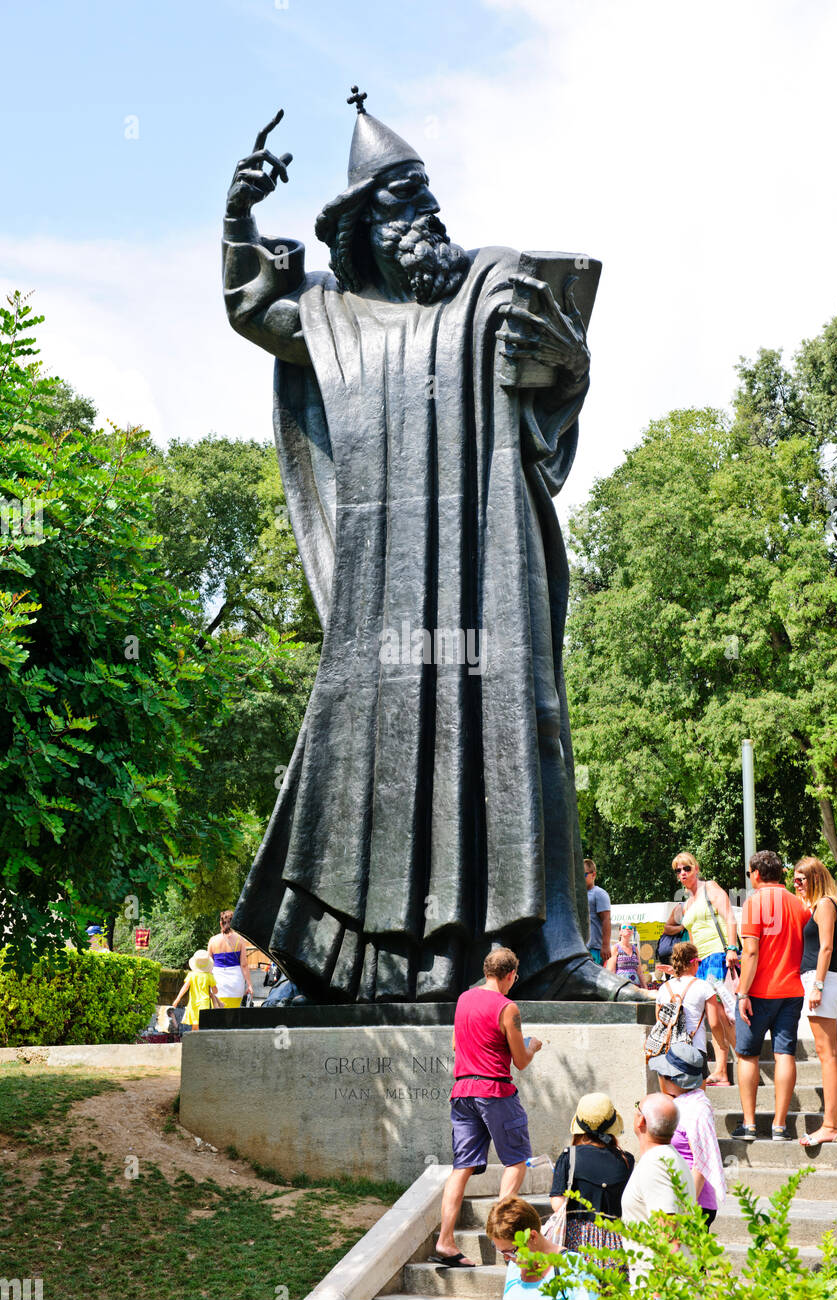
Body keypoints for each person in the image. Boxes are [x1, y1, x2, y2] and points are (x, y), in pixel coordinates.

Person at [223, 96, 646, 1006]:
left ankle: (549, 953)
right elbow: (258, 313)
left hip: (491, 561)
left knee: (523, 724)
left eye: (426, 192)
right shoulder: (333, 316)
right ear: (361, 224)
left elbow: (557, 360)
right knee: (362, 742)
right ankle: (341, 962)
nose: (426, 211)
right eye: (401, 197)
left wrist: (569, 363)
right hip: (383, 584)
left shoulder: (489, 282)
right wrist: (238, 219)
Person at [431, 947, 540, 1268]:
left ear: (486, 971)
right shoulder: (508, 1007)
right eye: (514, 977)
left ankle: (445, 1241)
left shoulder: (464, 999)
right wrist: (532, 1046)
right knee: (517, 1161)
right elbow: (520, 1061)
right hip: (495, 1090)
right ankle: (503, 1238)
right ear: (510, 975)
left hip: (463, 1091)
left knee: (461, 1168)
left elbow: (456, 1044)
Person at [734, 849, 812, 1141]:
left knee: (747, 1056)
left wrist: (742, 992)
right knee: (785, 1055)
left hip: (757, 992)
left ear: (756, 873)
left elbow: (751, 952)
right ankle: (780, 1126)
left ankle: (750, 1124)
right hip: (792, 990)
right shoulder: (799, 904)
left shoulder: (753, 903)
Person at [661, 852, 739, 1085]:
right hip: (701, 961)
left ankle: (745, 1060)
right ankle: (722, 1071)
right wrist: (687, 968)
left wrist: (732, 948)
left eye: (687, 868)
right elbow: (692, 937)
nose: (683, 873)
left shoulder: (710, 888)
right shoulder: (687, 904)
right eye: (678, 870)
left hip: (718, 955)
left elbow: (730, 918)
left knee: (722, 1014)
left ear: (696, 869)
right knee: (712, 1019)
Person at [794, 857, 837, 1145]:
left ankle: (829, 1125)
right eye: (794, 880)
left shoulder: (825, 904)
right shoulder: (821, 906)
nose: (796, 884)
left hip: (821, 981)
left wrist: (817, 985)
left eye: (801, 879)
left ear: (815, 878)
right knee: (832, 1053)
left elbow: (826, 947)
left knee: (827, 1054)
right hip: (824, 981)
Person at [649, 1042, 727, 1228]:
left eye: (661, 1073)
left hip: (693, 1202)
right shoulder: (683, 1103)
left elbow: (701, 1163)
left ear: (671, 1079)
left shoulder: (696, 1109)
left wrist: (684, 1210)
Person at [549, 1092, 634, 1262]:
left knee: (579, 1278)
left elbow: (557, 1204)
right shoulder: (626, 1160)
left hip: (578, 1241)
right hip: (616, 1241)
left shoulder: (569, 1156)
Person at [620, 1093, 696, 1285]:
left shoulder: (656, 1163)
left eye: (637, 1107)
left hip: (659, 1285)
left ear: (641, 1121)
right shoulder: (668, 1157)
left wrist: (657, 1292)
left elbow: (668, 1237)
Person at [486, 1196, 595, 1300]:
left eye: (511, 1251)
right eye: (500, 1251)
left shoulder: (572, 1266)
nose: (506, 1258)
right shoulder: (514, 1266)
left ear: (532, 1237)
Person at [654, 941, 726, 1066]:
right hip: (694, 1049)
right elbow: (714, 1024)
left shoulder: (664, 988)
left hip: (667, 1051)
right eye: (699, 962)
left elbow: (659, 1020)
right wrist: (722, 1044)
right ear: (694, 962)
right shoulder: (704, 987)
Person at [207, 909, 254, 1009]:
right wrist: (249, 985)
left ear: (221, 923)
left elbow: (208, 965)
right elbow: (244, 965)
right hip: (235, 983)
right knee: (233, 1014)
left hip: (217, 982)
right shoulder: (240, 940)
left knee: (217, 1015)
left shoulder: (213, 940)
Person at [171, 952, 224, 1030]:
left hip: (193, 1003)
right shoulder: (209, 976)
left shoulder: (191, 975)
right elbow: (215, 991)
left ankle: (194, 1037)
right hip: (204, 1003)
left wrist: (177, 999)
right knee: (201, 1025)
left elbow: (185, 988)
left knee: (194, 1025)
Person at [584, 860, 612, 966]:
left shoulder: (599, 893)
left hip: (595, 949)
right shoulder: (577, 895)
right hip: (581, 948)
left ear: (593, 875)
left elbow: (606, 919)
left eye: (584, 874)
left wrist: (605, 946)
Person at [605, 924, 649, 988]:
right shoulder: (615, 948)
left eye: (630, 927)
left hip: (635, 986)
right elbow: (611, 971)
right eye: (624, 927)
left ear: (632, 932)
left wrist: (645, 988)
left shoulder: (635, 949)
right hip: (621, 987)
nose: (628, 929)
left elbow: (639, 972)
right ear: (620, 932)